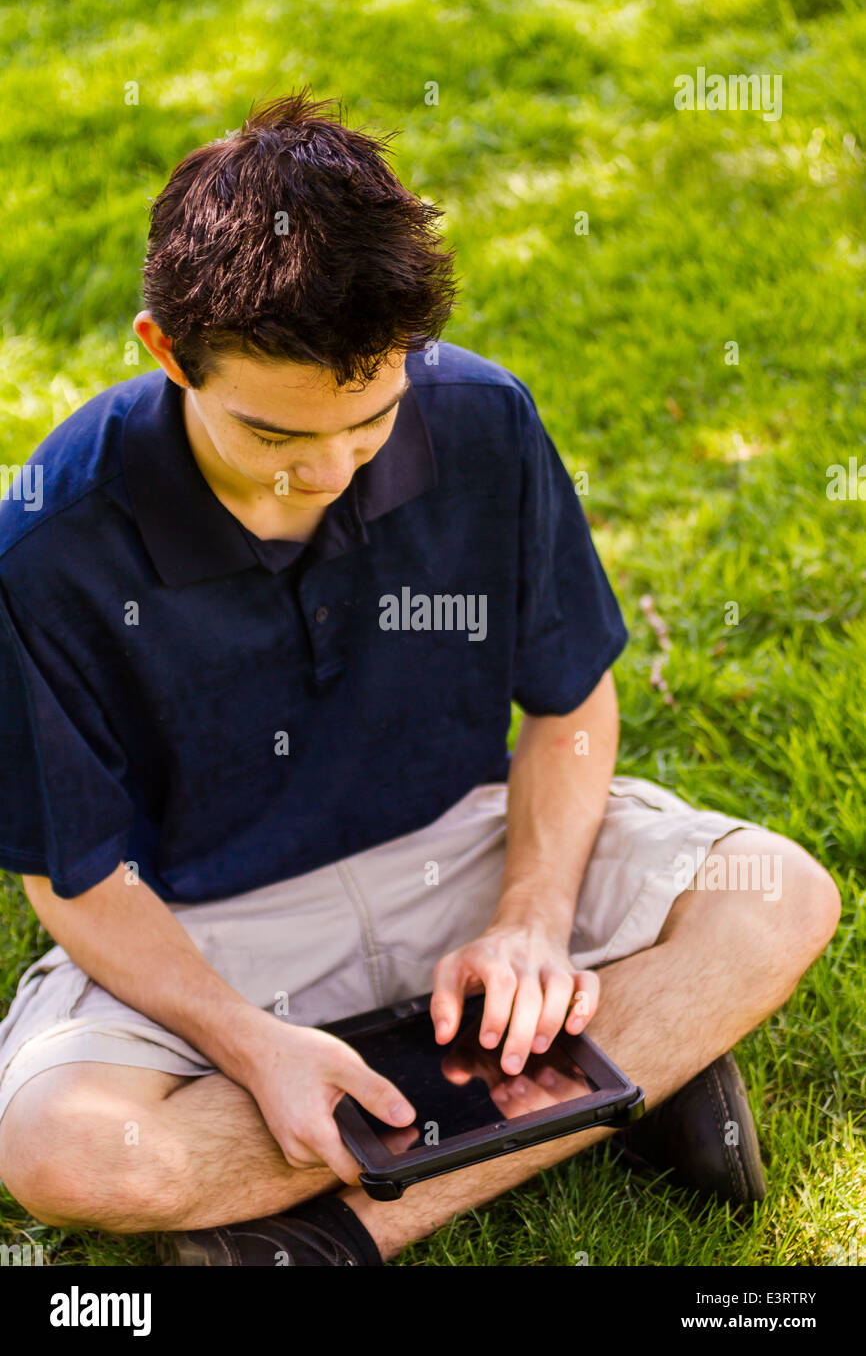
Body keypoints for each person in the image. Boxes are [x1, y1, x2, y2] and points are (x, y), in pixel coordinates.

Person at [0, 89, 840, 1267]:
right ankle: (609, 1088)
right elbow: (78, 880)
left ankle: (336, 1234)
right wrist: (246, 1041)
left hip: (464, 851)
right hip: (208, 928)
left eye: (368, 423)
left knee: (780, 896)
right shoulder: (49, 543)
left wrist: (532, 924)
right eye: (274, 437)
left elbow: (565, 704)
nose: (330, 471)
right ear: (164, 351)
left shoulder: (480, 421)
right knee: (63, 1153)